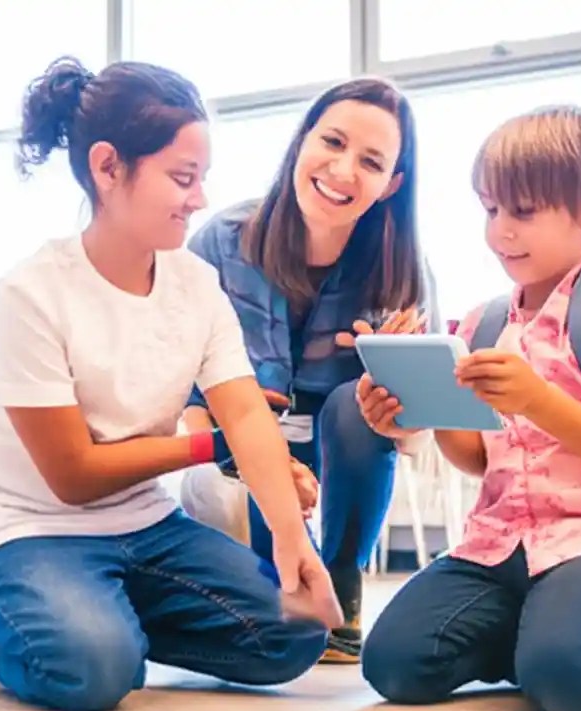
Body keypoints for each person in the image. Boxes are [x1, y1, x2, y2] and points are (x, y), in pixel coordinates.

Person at [0, 55, 342, 711]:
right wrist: (211, 447)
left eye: (203, 177)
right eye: (183, 177)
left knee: (296, 636)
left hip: (146, 526)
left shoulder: (195, 285)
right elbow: (73, 475)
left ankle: (100, 619)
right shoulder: (31, 294)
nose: (201, 198)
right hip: (24, 532)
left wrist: (296, 547)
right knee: (97, 673)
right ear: (107, 167)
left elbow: (245, 414)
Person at [357, 105, 581, 711]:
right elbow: (476, 457)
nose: (501, 232)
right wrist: (420, 409)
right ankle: (546, 638)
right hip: (498, 546)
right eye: (490, 209)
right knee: (393, 663)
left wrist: (539, 401)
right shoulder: (483, 324)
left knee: (578, 685)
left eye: (522, 212)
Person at [180, 76, 438, 664]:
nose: (344, 170)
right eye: (332, 142)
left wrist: (401, 395)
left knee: (353, 403)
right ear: (301, 143)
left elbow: (416, 439)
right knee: (280, 619)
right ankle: (279, 584)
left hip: (343, 457)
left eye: (371, 161)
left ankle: (341, 584)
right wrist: (246, 459)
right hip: (238, 444)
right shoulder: (219, 243)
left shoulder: (403, 273)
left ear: (391, 184)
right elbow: (185, 392)